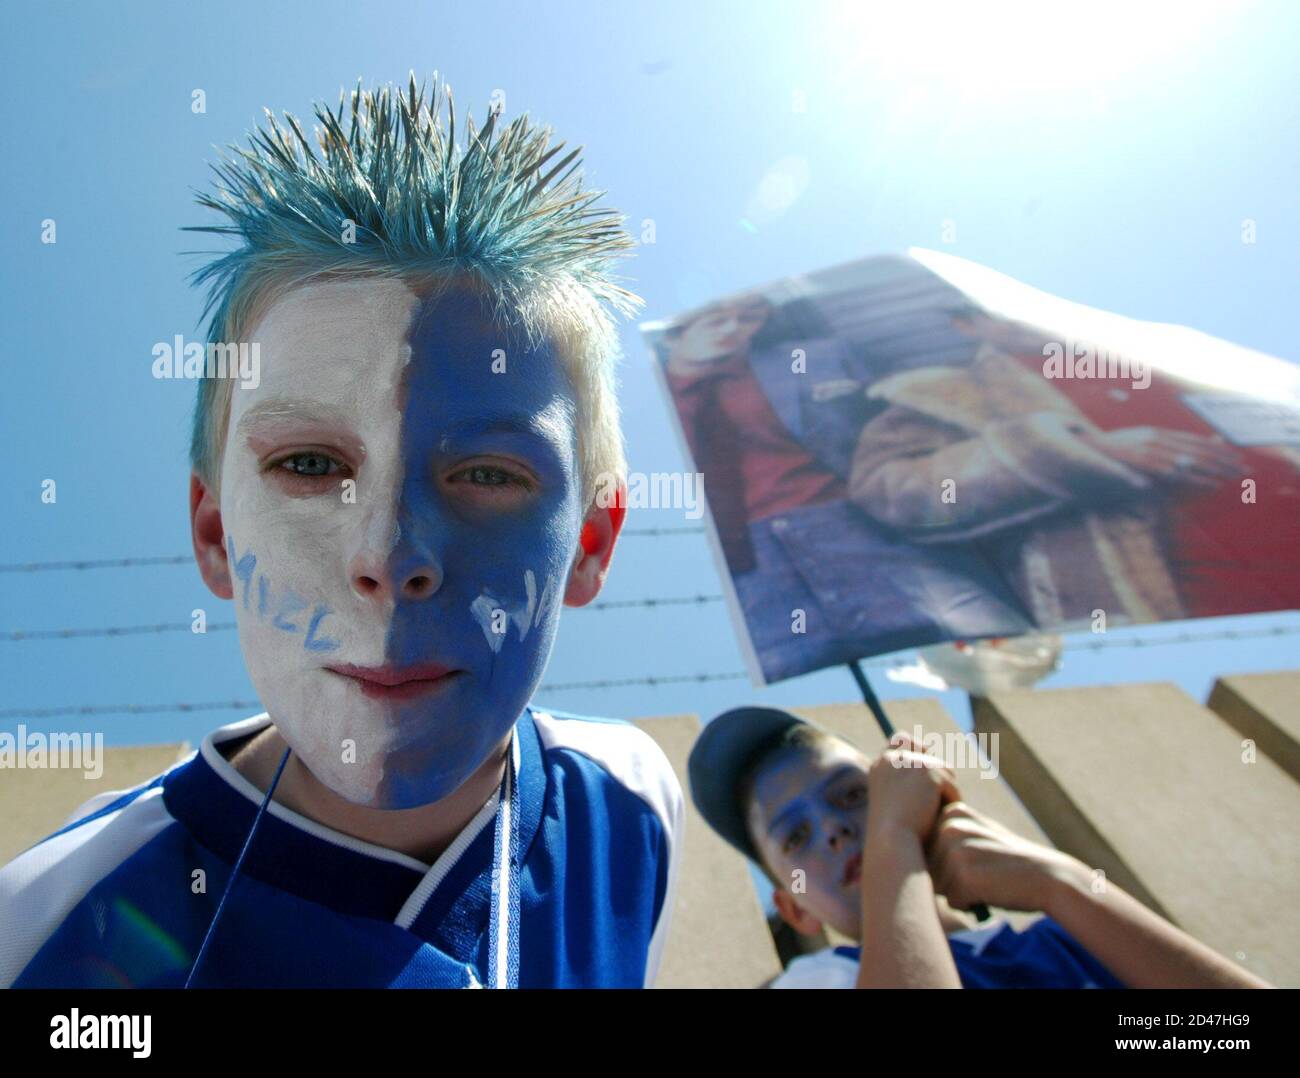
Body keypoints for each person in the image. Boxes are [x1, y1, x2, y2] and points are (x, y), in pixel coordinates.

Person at [0, 75, 682, 989]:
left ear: (592, 541)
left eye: (487, 473)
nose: (391, 558)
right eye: (311, 465)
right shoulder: (43, 932)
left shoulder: (631, 804)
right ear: (213, 534)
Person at [688, 706, 1271, 988]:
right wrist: (891, 839)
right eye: (795, 837)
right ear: (795, 909)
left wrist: (1060, 882)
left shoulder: (1068, 938)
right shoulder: (817, 981)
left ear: (932, 799)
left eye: (852, 795)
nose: (834, 830)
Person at [658, 297, 1032, 684]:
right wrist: (685, 372)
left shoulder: (813, 359)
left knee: (967, 628)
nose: (733, 327)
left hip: (854, 522)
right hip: (745, 559)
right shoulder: (653, 397)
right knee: (796, 666)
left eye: (749, 317)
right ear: (678, 331)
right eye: (715, 319)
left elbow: (906, 412)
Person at [849, 307, 1261, 631]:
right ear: (968, 325)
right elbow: (891, 493)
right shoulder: (943, 391)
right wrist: (1080, 451)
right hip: (1161, 623)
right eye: (998, 308)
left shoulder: (1182, 370)